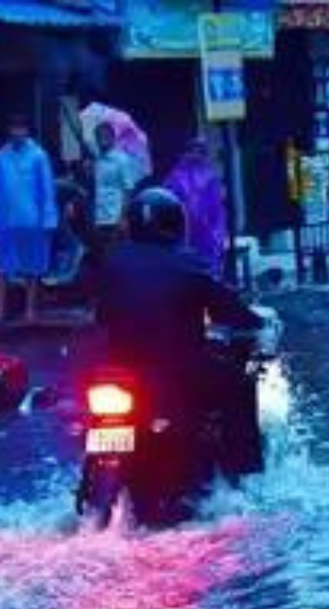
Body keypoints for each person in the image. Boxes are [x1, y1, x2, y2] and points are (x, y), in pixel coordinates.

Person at [96, 187, 263, 503]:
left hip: (122, 374)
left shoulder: (113, 263)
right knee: (241, 384)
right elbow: (233, 312)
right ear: (176, 224)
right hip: (178, 369)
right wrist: (252, 325)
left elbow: (102, 316)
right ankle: (244, 472)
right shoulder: (189, 262)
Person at [0, 114, 57, 323]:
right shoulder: (1, 156)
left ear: (27, 131)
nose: (17, 133)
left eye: (21, 128)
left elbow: (47, 189)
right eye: (14, 128)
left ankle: (30, 311)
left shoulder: (38, 155)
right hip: (4, 220)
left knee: (32, 267)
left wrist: (49, 219)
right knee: (1, 267)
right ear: (9, 131)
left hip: (32, 220)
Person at [165, 138, 228, 279]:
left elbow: (217, 207)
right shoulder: (176, 176)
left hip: (208, 231)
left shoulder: (210, 176)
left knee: (208, 265)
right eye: (193, 150)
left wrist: (218, 231)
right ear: (186, 152)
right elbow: (169, 199)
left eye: (200, 151)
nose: (196, 154)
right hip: (185, 229)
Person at [89, 121, 144, 263]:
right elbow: (95, 189)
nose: (102, 140)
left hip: (115, 218)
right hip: (99, 217)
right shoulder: (97, 160)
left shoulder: (122, 160)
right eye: (99, 137)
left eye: (105, 136)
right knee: (102, 259)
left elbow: (129, 190)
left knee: (117, 259)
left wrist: (123, 218)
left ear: (113, 138)